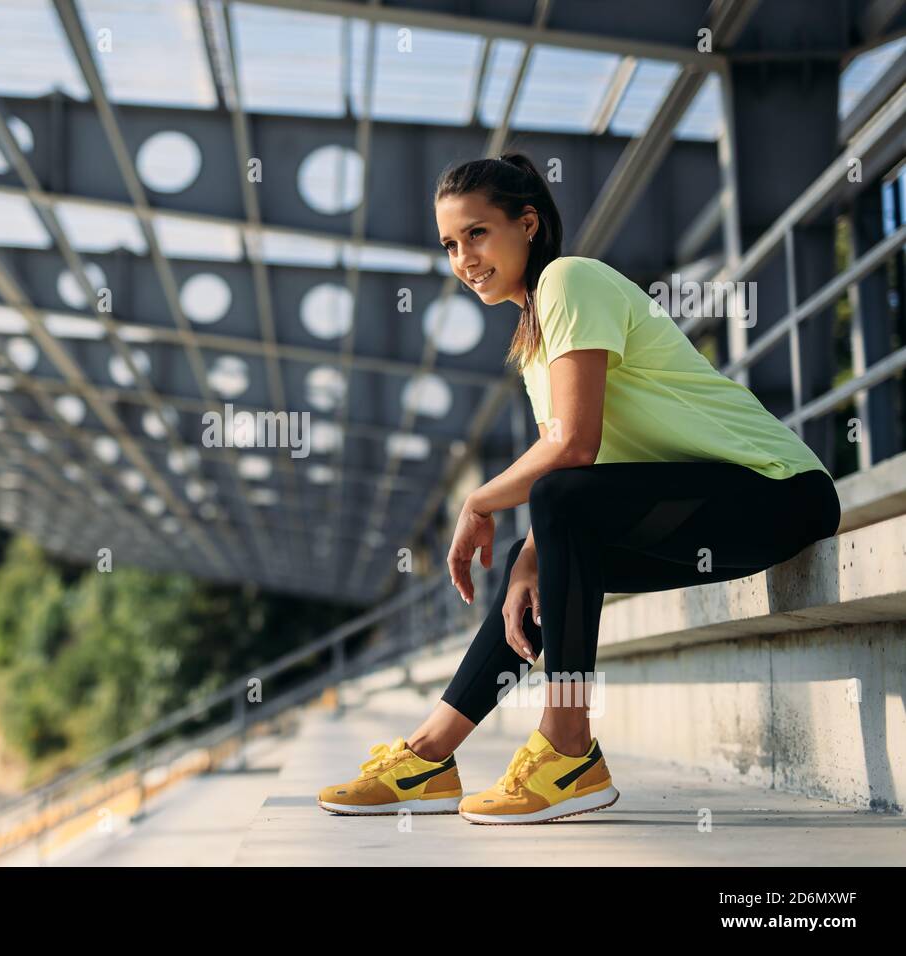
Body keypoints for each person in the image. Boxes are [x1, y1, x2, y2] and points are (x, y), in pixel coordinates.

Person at [317, 152, 842, 824]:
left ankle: (568, 749)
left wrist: (479, 501)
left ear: (528, 223)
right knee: (526, 567)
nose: (463, 258)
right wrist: (528, 562)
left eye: (477, 233)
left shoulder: (570, 282)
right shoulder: (534, 340)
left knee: (554, 511)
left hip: (779, 492)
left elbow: (574, 445)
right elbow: (572, 474)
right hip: (713, 515)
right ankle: (429, 756)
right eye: (450, 244)